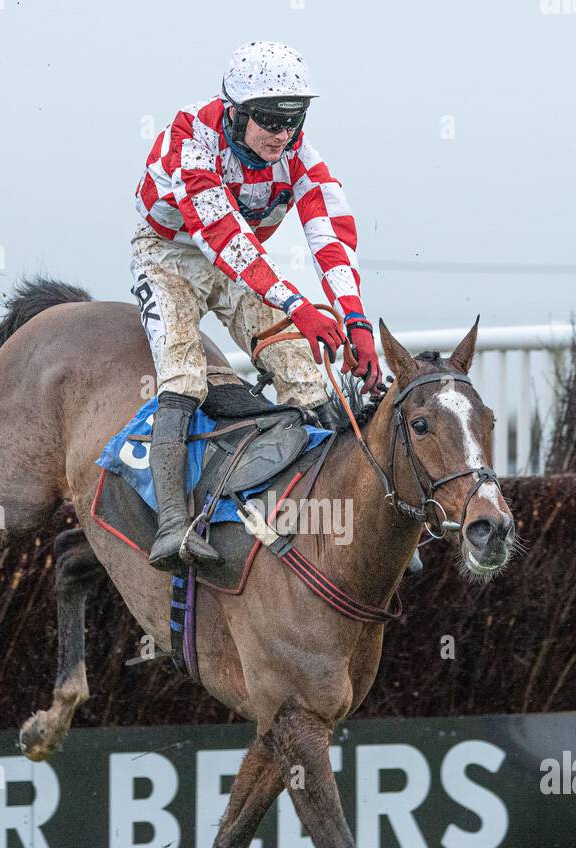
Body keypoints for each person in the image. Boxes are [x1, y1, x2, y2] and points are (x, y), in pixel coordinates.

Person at [131, 40, 383, 571]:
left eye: (296, 117)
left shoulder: (299, 155)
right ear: (236, 111)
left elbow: (329, 234)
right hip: (169, 255)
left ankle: (337, 514)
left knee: (305, 374)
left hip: (240, 262)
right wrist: (298, 305)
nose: (283, 133)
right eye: (270, 118)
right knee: (184, 378)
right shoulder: (190, 139)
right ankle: (173, 526)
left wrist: (356, 318)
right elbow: (221, 235)